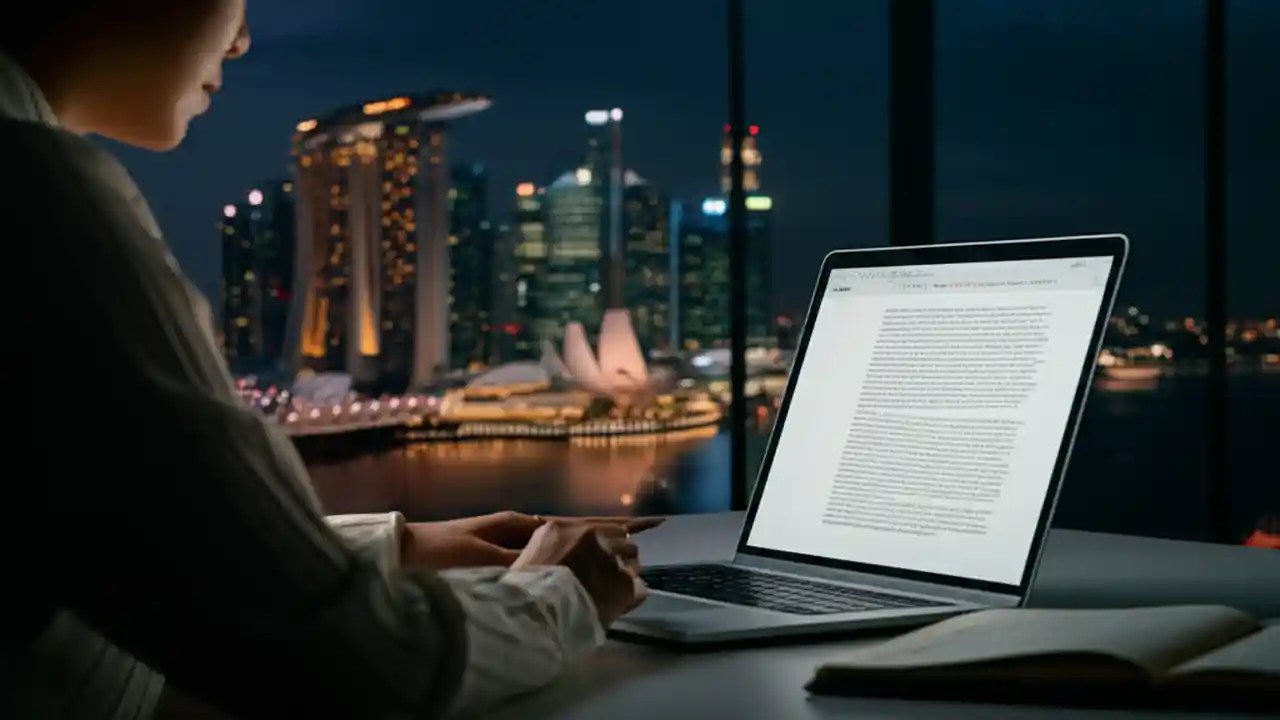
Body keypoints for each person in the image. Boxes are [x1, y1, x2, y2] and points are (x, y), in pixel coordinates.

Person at [1, 2, 654, 718]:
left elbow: (126, 546)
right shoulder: (37, 201)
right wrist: (559, 594)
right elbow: (350, 664)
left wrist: (395, 547)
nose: (244, 38)